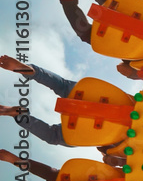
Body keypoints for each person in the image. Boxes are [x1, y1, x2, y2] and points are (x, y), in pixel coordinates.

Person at [0, 57, 128, 163]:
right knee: (53, 136)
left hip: (109, 102)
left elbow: (128, 69)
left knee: (63, 86)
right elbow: (109, 158)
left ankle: (31, 71)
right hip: (96, 131)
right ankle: (21, 116)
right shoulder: (135, 156)